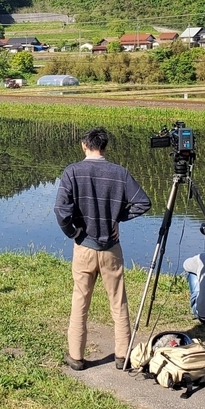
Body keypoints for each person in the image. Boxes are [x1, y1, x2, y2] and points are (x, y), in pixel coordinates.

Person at [55, 127, 151, 371]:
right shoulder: (119, 173)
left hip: (83, 247)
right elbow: (143, 202)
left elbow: (61, 210)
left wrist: (74, 232)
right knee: (118, 303)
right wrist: (118, 217)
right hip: (111, 248)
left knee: (80, 301)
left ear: (83, 145)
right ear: (105, 147)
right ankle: (122, 355)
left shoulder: (72, 172)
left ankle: (76, 357)